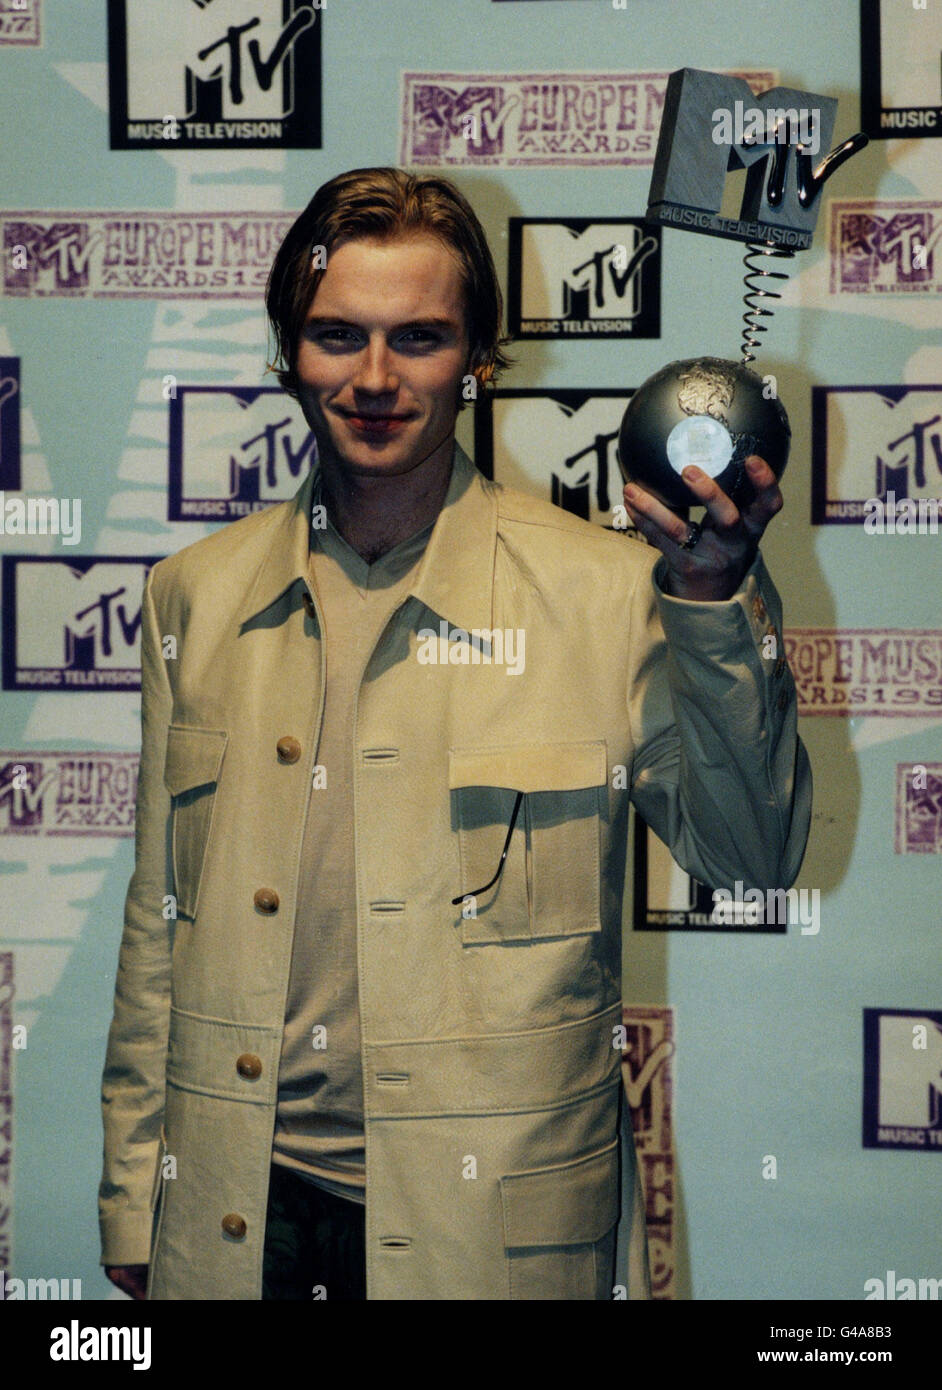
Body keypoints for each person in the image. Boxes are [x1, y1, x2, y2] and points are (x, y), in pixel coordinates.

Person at [99, 166, 812, 1301]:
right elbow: (157, 926)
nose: (374, 378)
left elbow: (755, 855)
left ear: (479, 359)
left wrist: (718, 607)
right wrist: (137, 1193)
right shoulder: (195, 595)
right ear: (290, 352)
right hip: (233, 1222)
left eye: (420, 338)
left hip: (485, 1240)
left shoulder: (609, 595)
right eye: (337, 335)